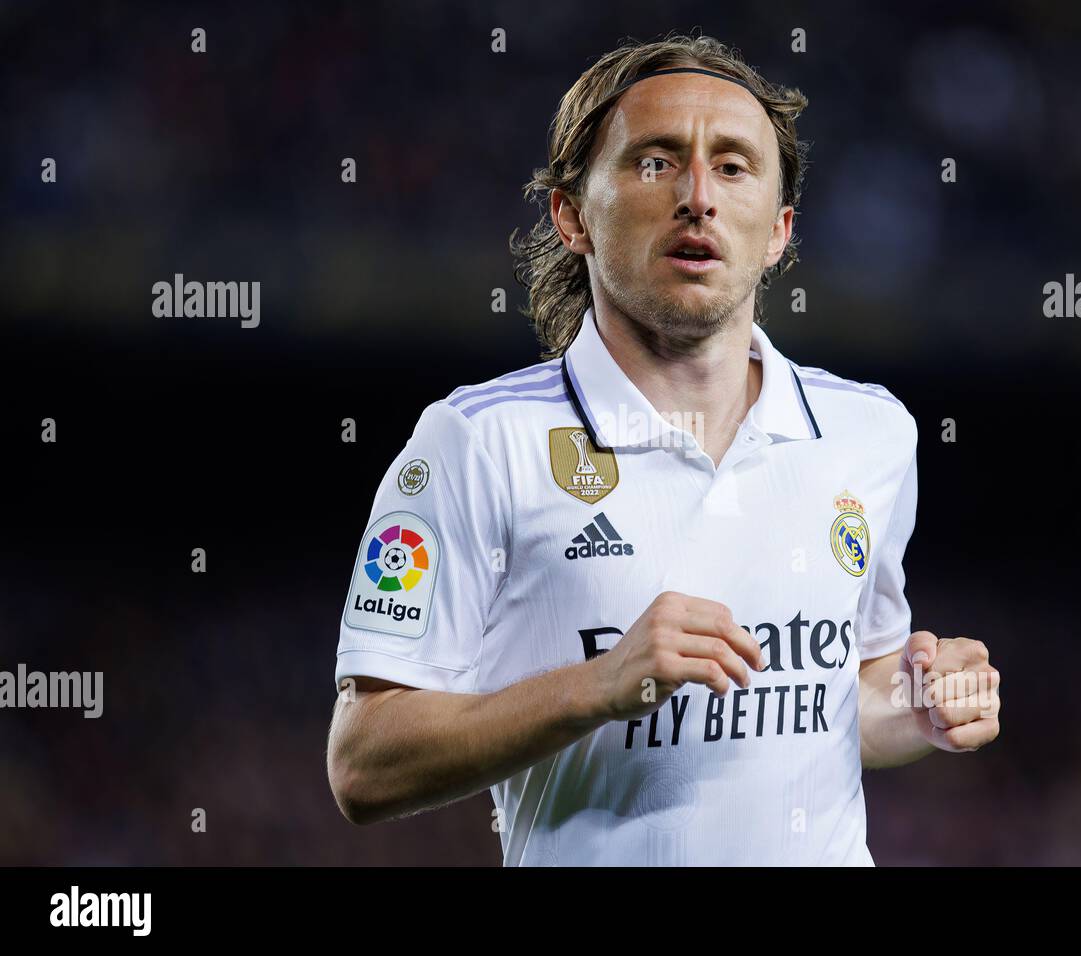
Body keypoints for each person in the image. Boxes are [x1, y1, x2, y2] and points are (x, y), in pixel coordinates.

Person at [327, 32, 999, 865]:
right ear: (571, 214)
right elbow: (363, 765)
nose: (697, 197)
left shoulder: (870, 434)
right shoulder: (478, 444)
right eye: (655, 161)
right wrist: (601, 686)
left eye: (733, 165)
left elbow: (837, 706)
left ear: (779, 231)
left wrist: (922, 708)